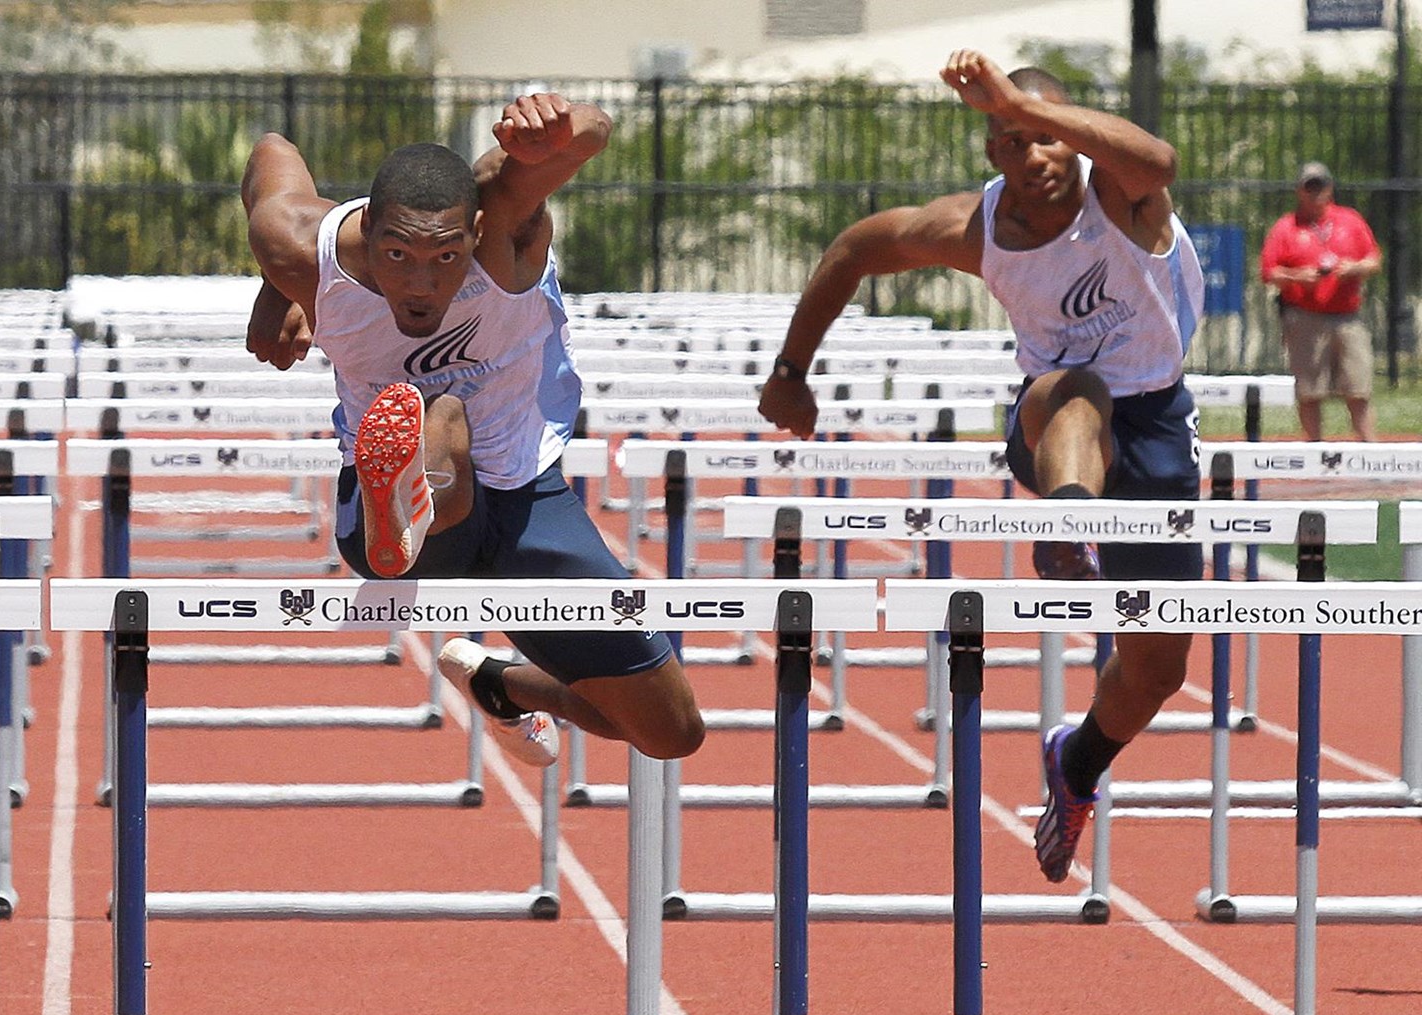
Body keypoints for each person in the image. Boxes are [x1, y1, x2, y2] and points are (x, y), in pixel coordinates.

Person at [757, 52, 1205, 884]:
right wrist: (791, 372)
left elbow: (1160, 159)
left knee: (1158, 669)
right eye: (1012, 141)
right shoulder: (978, 231)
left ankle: (1075, 763)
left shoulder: (1124, 196)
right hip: (1055, 424)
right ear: (993, 154)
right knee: (1074, 392)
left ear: (1076, 140)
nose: (1034, 157)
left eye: (1047, 138)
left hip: (1156, 428)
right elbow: (856, 248)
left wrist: (1017, 104)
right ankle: (1069, 529)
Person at [240, 92, 704, 767]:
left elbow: (593, 131)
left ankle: (500, 683)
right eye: (397, 257)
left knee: (671, 733)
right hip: (398, 535)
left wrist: (557, 119)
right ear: (366, 233)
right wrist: (277, 285)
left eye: (447, 257)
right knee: (442, 415)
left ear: (478, 233)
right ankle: (409, 494)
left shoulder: (505, 224)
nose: (423, 284)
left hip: (526, 499)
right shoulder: (296, 246)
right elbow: (270, 152)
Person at [1260, 161, 1382, 442]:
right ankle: (1315, 454)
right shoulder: (1286, 227)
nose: (1315, 192)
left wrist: (1354, 268)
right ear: (1299, 191)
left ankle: (1371, 452)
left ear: (1330, 189)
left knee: (1358, 388)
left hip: (1348, 315)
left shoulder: (1350, 220)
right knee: (1310, 391)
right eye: (1309, 186)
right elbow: (1269, 272)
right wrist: (1297, 277)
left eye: (1321, 185)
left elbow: (1373, 260)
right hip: (1304, 316)